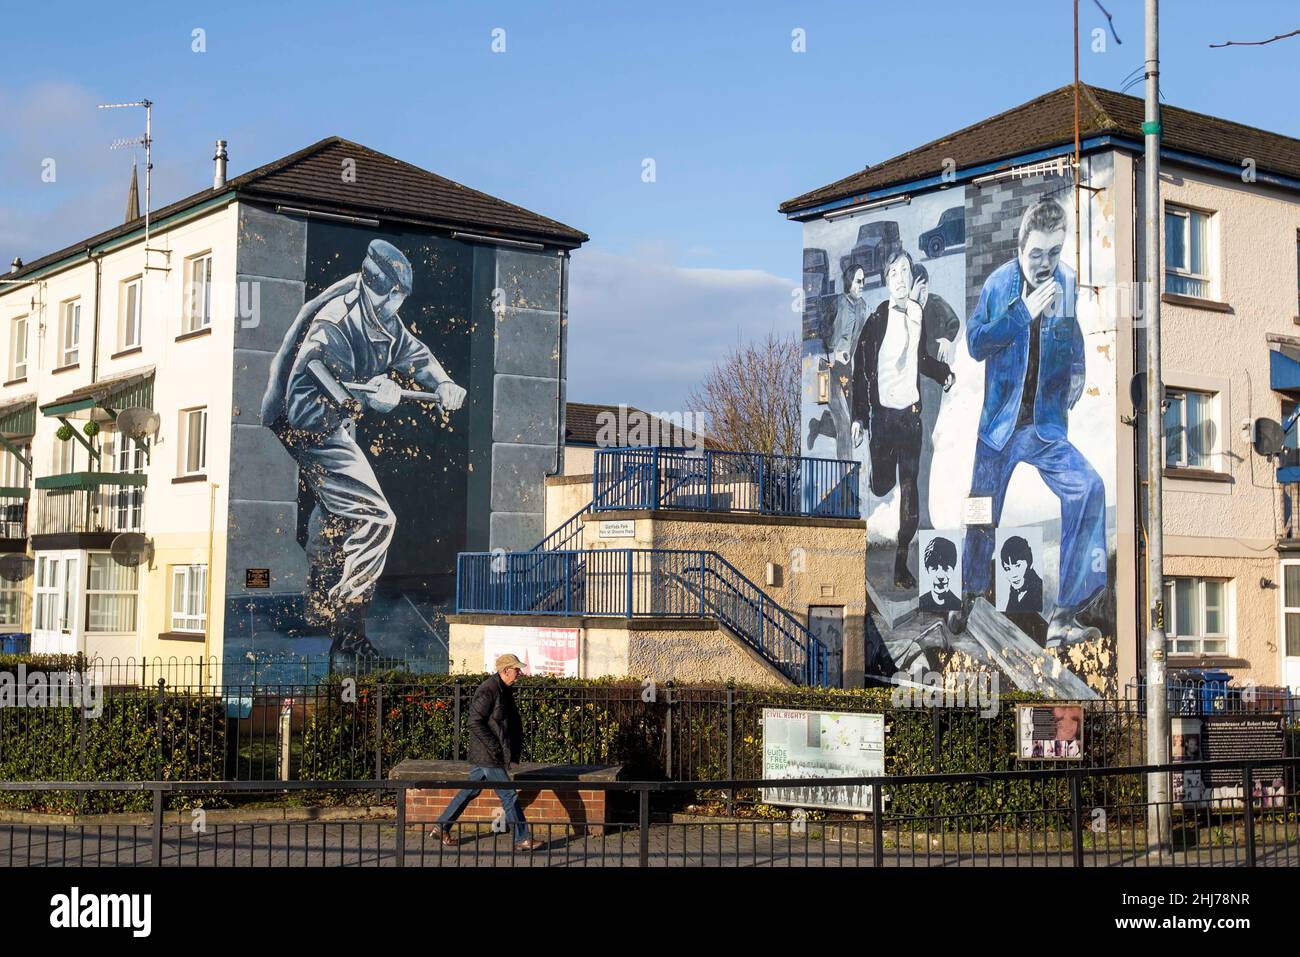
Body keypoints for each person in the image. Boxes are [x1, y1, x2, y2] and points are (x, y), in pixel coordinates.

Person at [260, 239, 467, 667]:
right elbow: (313, 382)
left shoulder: (376, 313)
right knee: (376, 517)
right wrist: (368, 400)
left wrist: (442, 383)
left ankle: (318, 604)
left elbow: (414, 353)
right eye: (400, 300)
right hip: (306, 422)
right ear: (393, 293)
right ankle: (348, 632)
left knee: (338, 508)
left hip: (330, 418)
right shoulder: (335, 322)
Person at [947, 199, 1106, 647]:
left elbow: (1072, 333)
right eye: (1036, 254)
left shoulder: (1067, 281)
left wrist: (1078, 368)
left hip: (1044, 426)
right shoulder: (999, 285)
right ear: (1021, 247)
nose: (1045, 264)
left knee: (1089, 486)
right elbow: (977, 343)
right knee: (981, 515)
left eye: (1053, 253)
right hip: (998, 429)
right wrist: (1022, 313)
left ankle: (1065, 614)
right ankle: (969, 599)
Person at [851, 251, 955, 589]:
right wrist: (858, 419)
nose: (899, 278)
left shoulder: (918, 314)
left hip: (911, 418)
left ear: (911, 280)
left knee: (909, 490)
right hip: (883, 420)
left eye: (905, 271)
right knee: (883, 485)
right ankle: (876, 474)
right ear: (886, 282)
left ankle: (900, 565)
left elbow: (922, 358)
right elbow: (860, 372)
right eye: (893, 272)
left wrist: (943, 374)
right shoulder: (876, 320)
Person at [429, 654, 541, 852]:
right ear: (505, 670)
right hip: (489, 755)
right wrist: (495, 748)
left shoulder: (502, 689)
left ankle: (441, 826)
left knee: (470, 790)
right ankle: (522, 839)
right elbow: (474, 721)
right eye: (516, 669)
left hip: (487, 755)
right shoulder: (489, 690)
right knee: (509, 795)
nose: (519, 673)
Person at [911, 264, 961, 529]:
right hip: (916, 383)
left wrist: (947, 339)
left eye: (924, 286)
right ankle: (919, 512)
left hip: (932, 381)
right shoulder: (908, 313)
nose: (922, 292)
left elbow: (954, 322)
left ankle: (923, 510)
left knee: (926, 438)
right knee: (921, 441)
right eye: (917, 287)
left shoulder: (936, 304)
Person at [807, 263, 870, 460]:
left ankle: (819, 425)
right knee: (843, 422)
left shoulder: (863, 307)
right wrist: (835, 355)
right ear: (849, 282)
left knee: (846, 420)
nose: (862, 285)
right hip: (826, 367)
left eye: (863, 281)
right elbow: (820, 337)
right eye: (858, 281)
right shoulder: (836, 304)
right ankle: (847, 473)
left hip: (846, 368)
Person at [1000, 535, 1044, 614]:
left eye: (1017, 566)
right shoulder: (1014, 592)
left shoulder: (1040, 591)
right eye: (1008, 569)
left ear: (1029, 563)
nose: (1013, 575)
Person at [918, 536, 962, 613]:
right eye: (934, 568)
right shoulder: (921, 602)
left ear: (954, 569)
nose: (940, 576)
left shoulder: (957, 603)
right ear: (927, 569)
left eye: (946, 568)